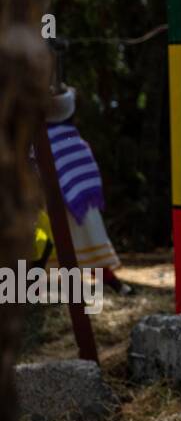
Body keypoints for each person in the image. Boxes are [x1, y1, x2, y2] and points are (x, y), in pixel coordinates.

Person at [41, 84, 130, 295]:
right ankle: (113, 284)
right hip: (68, 204)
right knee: (86, 245)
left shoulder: (48, 139)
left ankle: (112, 283)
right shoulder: (71, 139)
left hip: (65, 204)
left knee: (75, 247)